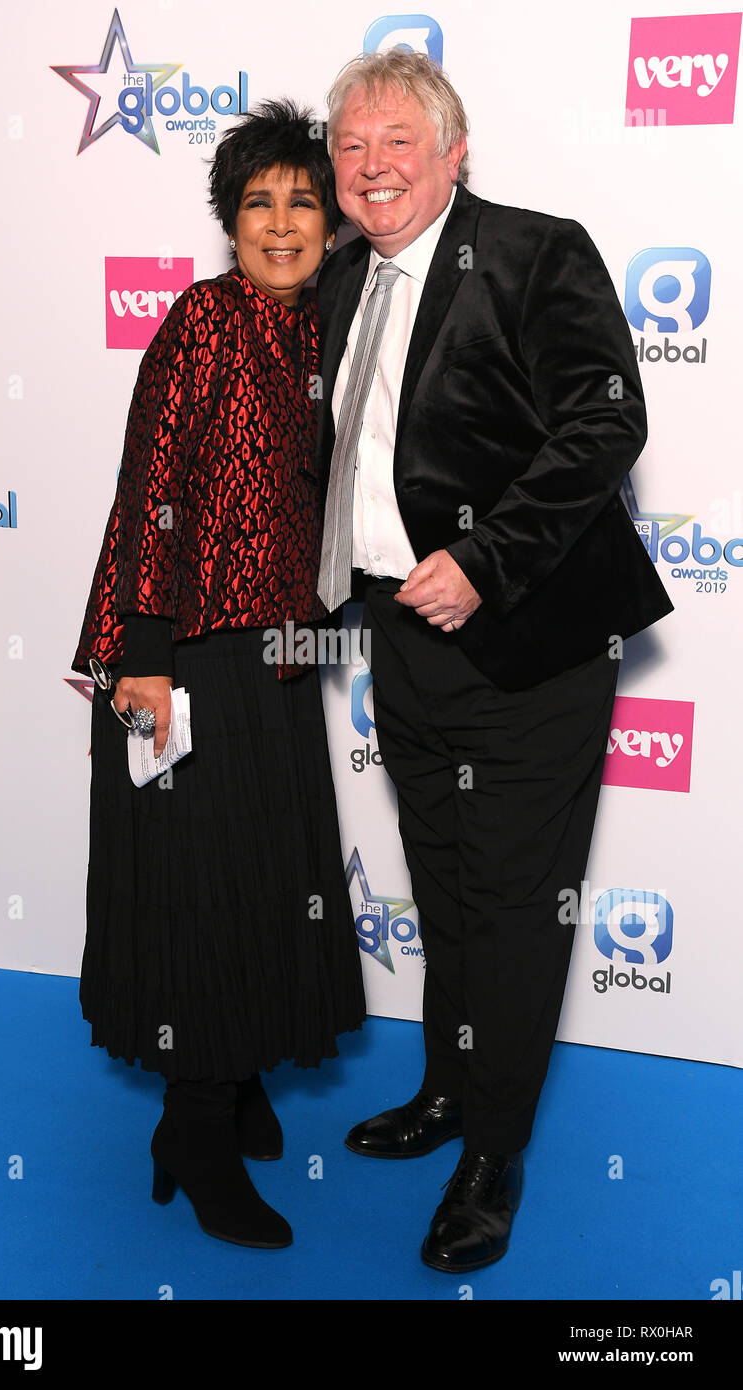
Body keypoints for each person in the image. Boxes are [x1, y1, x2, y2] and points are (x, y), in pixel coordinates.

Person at [316, 50, 673, 1272]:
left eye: (397, 143)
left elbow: (607, 413)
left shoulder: (530, 249)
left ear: (453, 152)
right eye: (351, 148)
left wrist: (490, 557)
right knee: (450, 889)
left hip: (526, 642)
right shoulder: (335, 282)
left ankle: (493, 1157)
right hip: (402, 642)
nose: (372, 168)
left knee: (516, 905)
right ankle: (449, 1094)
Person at [71, 99, 365, 1251]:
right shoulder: (203, 320)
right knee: (201, 895)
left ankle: (237, 1077)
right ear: (227, 221)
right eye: (260, 203)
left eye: (305, 200)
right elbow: (152, 487)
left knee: (267, 876)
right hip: (180, 658)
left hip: (280, 654)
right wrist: (138, 658)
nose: (285, 223)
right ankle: (192, 1126)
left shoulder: (320, 333)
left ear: (331, 221)